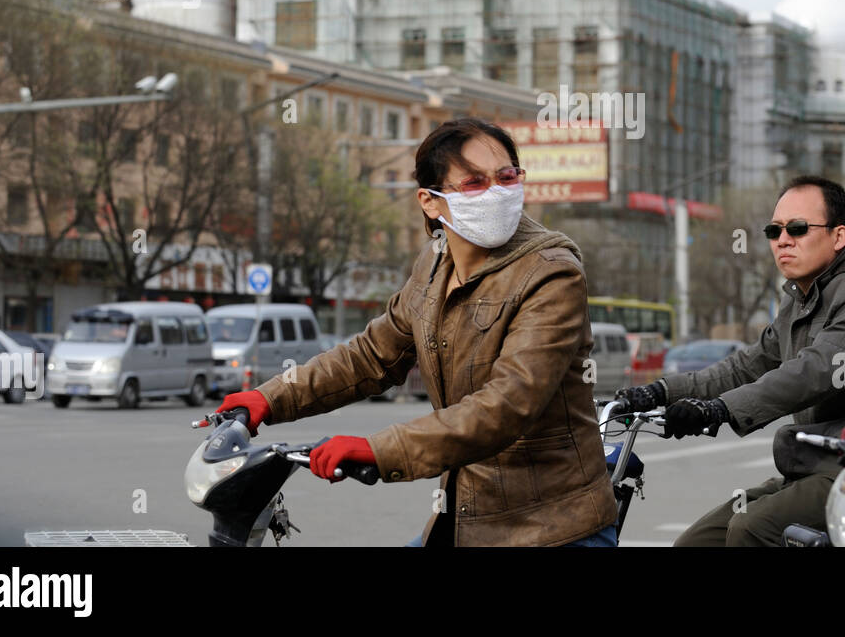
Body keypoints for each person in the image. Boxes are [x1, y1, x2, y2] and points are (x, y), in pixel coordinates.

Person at [211, 117, 617, 547]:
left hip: (551, 529)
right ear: (430, 202)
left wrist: (378, 450)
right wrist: (269, 398)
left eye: (507, 176)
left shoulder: (552, 275)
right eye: (475, 183)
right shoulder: (434, 264)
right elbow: (370, 356)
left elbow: (506, 406)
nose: (497, 192)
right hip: (464, 520)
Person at [617, 175, 845, 546]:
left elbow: (815, 370)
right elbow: (746, 365)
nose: (783, 240)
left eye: (797, 228)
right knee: (697, 542)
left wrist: (717, 410)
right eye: (774, 230)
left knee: (752, 529)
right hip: (814, 465)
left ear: (838, 236)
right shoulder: (801, 296)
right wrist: (658, 392)